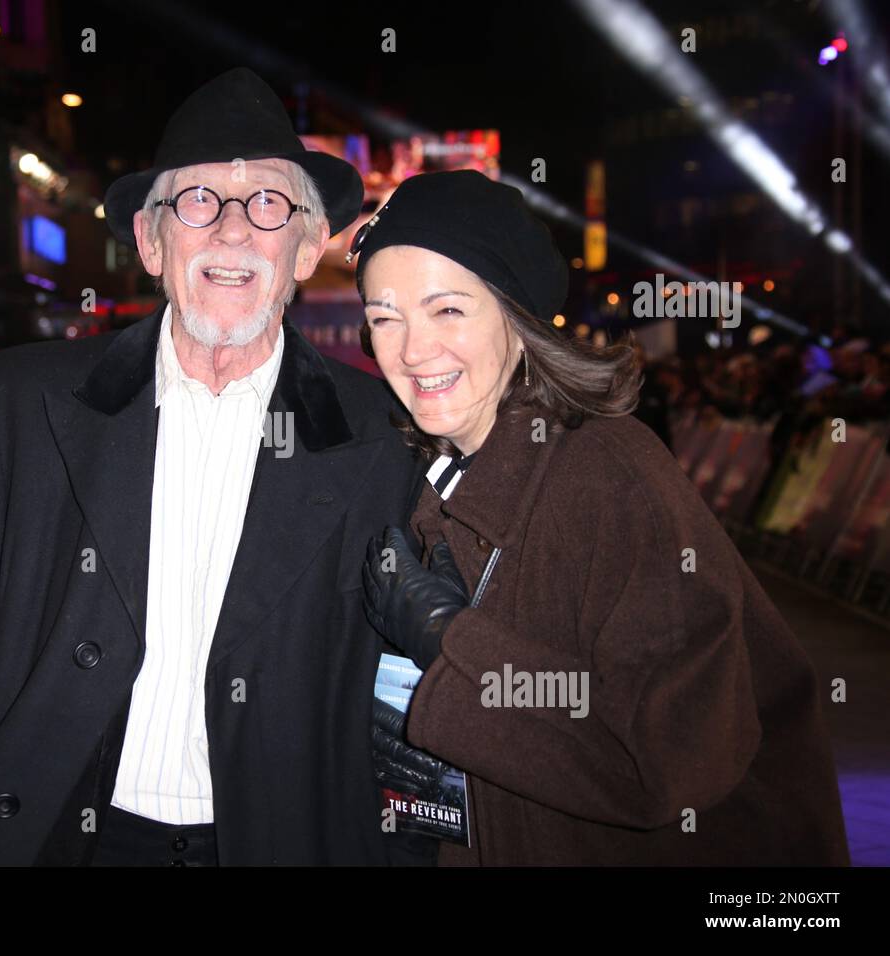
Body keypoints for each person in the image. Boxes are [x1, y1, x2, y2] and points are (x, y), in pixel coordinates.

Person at [0, 67, 424, 865]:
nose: (233, 231)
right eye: (198, 201)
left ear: (309, 247)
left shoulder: (383, 435)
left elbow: (396, 688)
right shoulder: (19, 403)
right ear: (149, 240)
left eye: (269, 203)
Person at [354, 170, 849, 865]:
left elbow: (668, 758)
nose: (411, 349)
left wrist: (451, 643)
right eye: (385, 317)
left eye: (448, 311)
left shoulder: (606, 474)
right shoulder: (431, 482)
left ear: (516, 319)